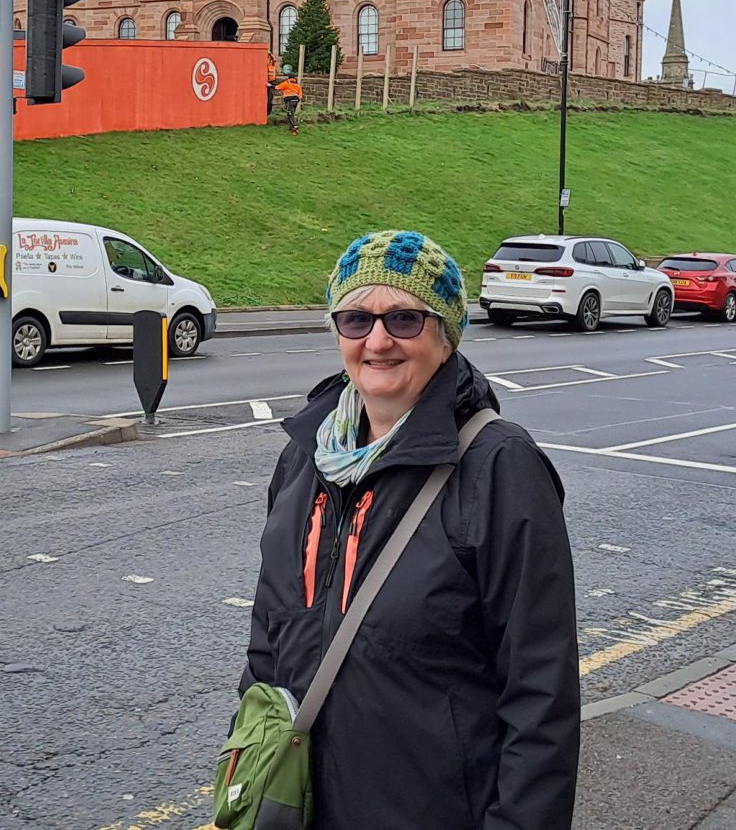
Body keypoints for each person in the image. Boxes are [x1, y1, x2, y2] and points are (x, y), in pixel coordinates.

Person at [239, 229, 580, 829]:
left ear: (445, 337)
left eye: (404, 319)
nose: (377, 341)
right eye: (355, 319)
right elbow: (269, 636)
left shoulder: (499, 466)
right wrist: (253, 763)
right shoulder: (305, 456)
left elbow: (540, 692)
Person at [274, 65, 303, 134]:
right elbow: (300, 94)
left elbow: (277, 87)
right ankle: (291, 127)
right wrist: (298, 99)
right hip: (296, 100)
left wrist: (270, 85)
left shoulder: (286, 83)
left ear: (289, 78)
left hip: (290, 100)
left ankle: (294, 126)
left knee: (290, 114)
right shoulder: (297, 85)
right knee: (292, 113)